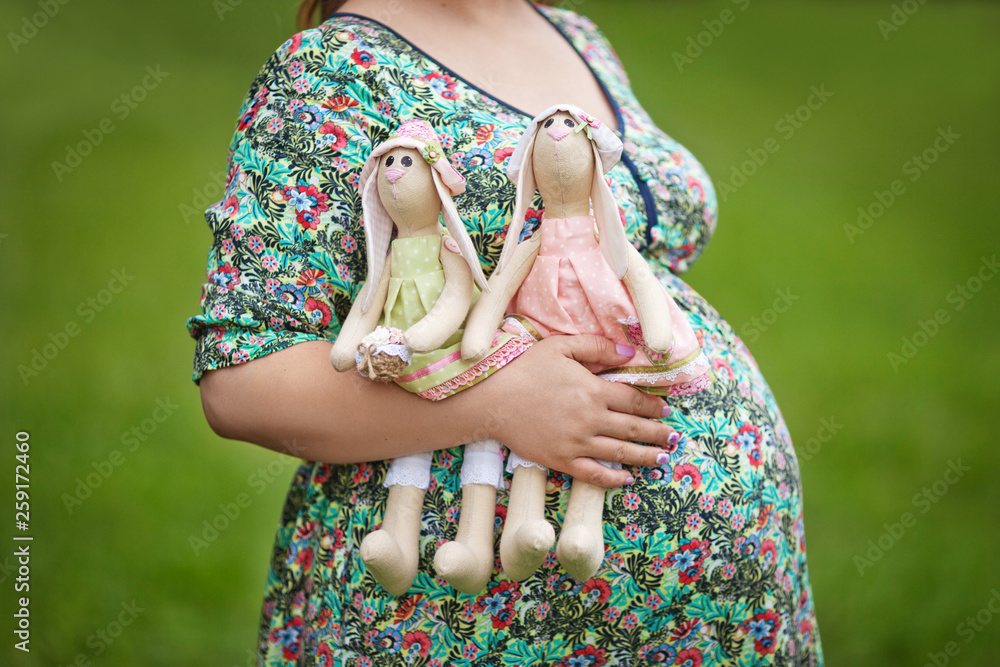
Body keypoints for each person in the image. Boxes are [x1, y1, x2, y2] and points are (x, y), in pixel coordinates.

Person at [186, 0, 824, 664]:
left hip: (722, 611)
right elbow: (241, 378)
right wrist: (493, 399)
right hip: (477, 617)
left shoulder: (571, 31)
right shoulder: (328, 70)